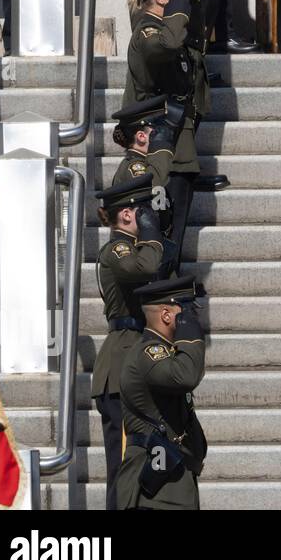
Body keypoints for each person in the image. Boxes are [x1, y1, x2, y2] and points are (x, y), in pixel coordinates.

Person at [91, 175, 178, 511]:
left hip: (136, 363)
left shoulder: (133, 247)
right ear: (127, 215)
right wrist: (152, 235)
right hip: (121, 367)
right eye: (142, 210)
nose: (147, 216)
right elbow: (146, 267)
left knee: (141, 463)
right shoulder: (117, 249)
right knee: (124, 465)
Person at [124, 0, 209, 258]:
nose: (186, 4)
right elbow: (166, 46)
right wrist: (178, 15)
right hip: (156, 150)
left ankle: (169, 285)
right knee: (157, 232)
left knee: (173, 233)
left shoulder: (172, 37)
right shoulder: (148, 34)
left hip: (178, 147)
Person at [115, 275, 208, 511]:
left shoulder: (166, 353)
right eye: (187, 312)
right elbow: (186, 376)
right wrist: (192, 337)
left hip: (170, 480)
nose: (194, 319)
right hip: (155, 490)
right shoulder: (150, 352)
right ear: (166, 315)